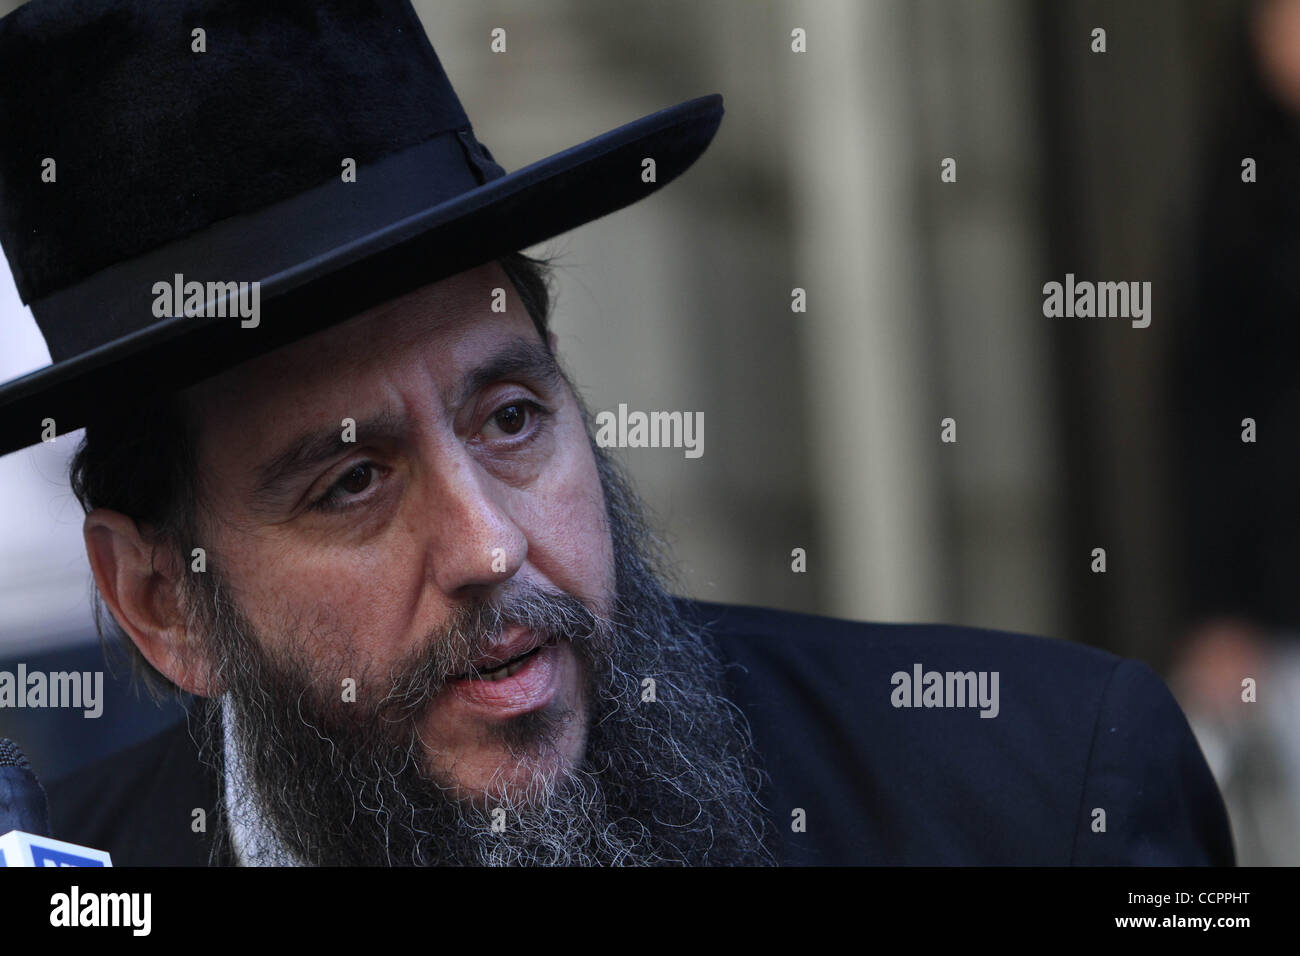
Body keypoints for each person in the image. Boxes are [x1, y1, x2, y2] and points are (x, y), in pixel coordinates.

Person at [0, 0, 1232, 866]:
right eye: (353, 481)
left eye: (512, 415)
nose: (489, 543)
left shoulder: (1044, 792)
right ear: (161, 599)